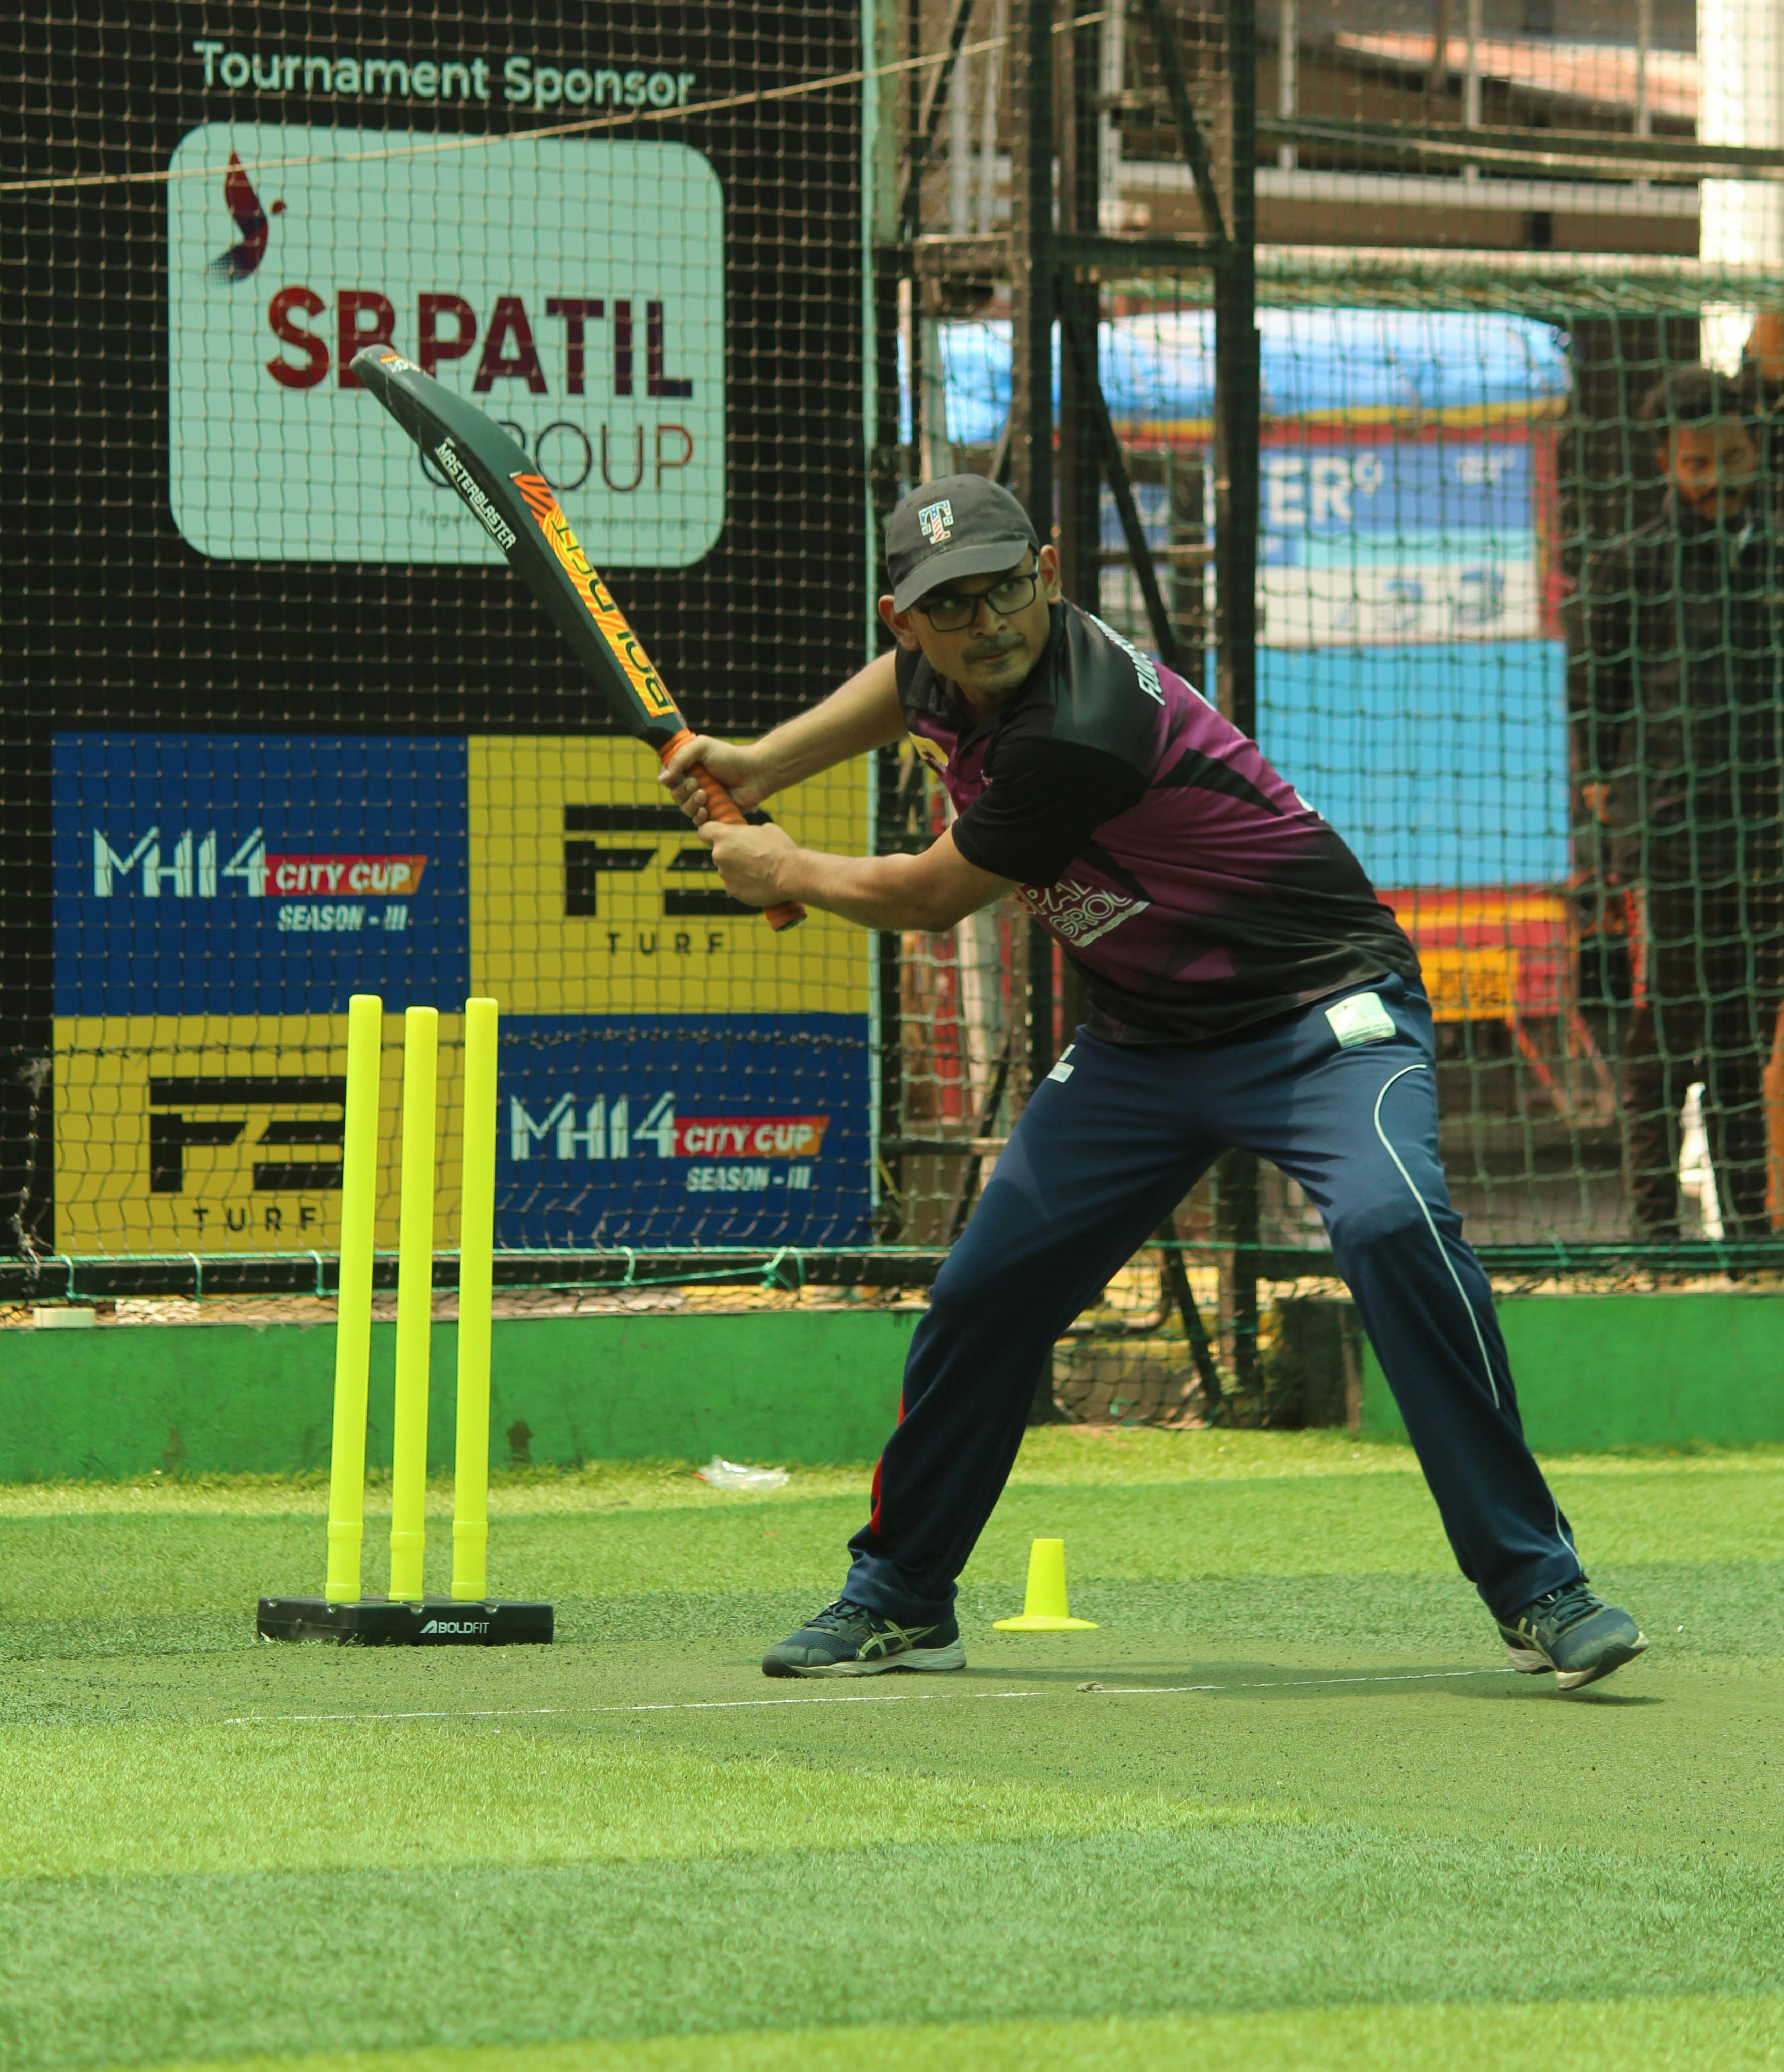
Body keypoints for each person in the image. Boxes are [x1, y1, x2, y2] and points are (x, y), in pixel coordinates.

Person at [666, 473, 1647, 1693]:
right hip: (1144, 1042)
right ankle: (903, 1598)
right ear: (903, 618)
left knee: (1393, 1224)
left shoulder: (1077, 724)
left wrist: (784, 864)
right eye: (951, 605)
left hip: (1321, 1017)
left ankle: (1541, 1587)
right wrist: (764, 758)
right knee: (985, 1294)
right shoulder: (946, 659)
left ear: (1053, 569)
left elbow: (925, 901)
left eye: (1007, 587)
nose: (990, 622)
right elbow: (900, 691)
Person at [1570, 364, 1784, 1241]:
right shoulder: (1630, 565)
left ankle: (1747, 1234)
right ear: (1666, 461)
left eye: (1732, 457)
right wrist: (1612, 804)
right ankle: (1655, 1236)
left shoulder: (1775, 557)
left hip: (1767, 851)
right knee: (1660, 1050)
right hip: (1665, 854)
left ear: (1757, 451)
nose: (1717, 479)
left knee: (1742, 1049)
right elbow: (1595, 705)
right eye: (1698, 463)